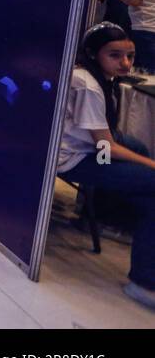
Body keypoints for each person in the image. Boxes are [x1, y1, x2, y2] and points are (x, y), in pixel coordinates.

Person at [57, 22, 155, 310]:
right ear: (93, 53)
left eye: (130, 56)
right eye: (115, 55)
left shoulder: (96, 77)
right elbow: (105, 146)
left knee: (137, 149)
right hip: (75, 155)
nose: (125, 63)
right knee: (148, 177)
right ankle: (143, 281)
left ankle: (111, 217)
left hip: (85, 144)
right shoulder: (87, 84)